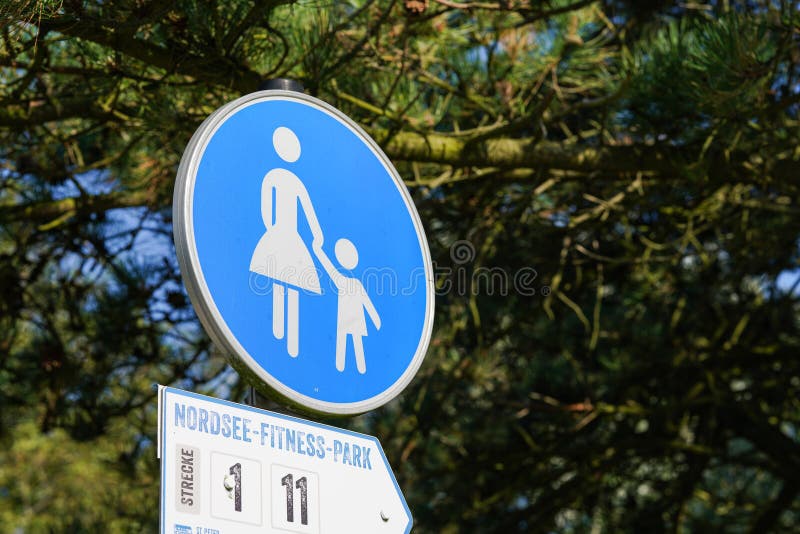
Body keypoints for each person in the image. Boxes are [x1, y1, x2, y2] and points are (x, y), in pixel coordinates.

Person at [249, 127, 323, 357]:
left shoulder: (290, 180)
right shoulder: (273, 176)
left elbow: (308, 211)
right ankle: (279, 335)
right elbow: (265, 206)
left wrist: (317, 234)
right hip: (282, 234)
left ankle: (291, 343)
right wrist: (273, 229)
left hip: (289, 235)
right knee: (280, 280)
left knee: (293, 282)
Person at [314, 238, 381, 374]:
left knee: (356, 343)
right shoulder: (342, 280)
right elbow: (329, 268)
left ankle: (360, 370)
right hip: (345, 319)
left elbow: (367, 302)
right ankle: (339, 369)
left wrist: (376, 319)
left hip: (356, 319)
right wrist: (317, 251)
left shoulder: (355, 283)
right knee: (343, 343)